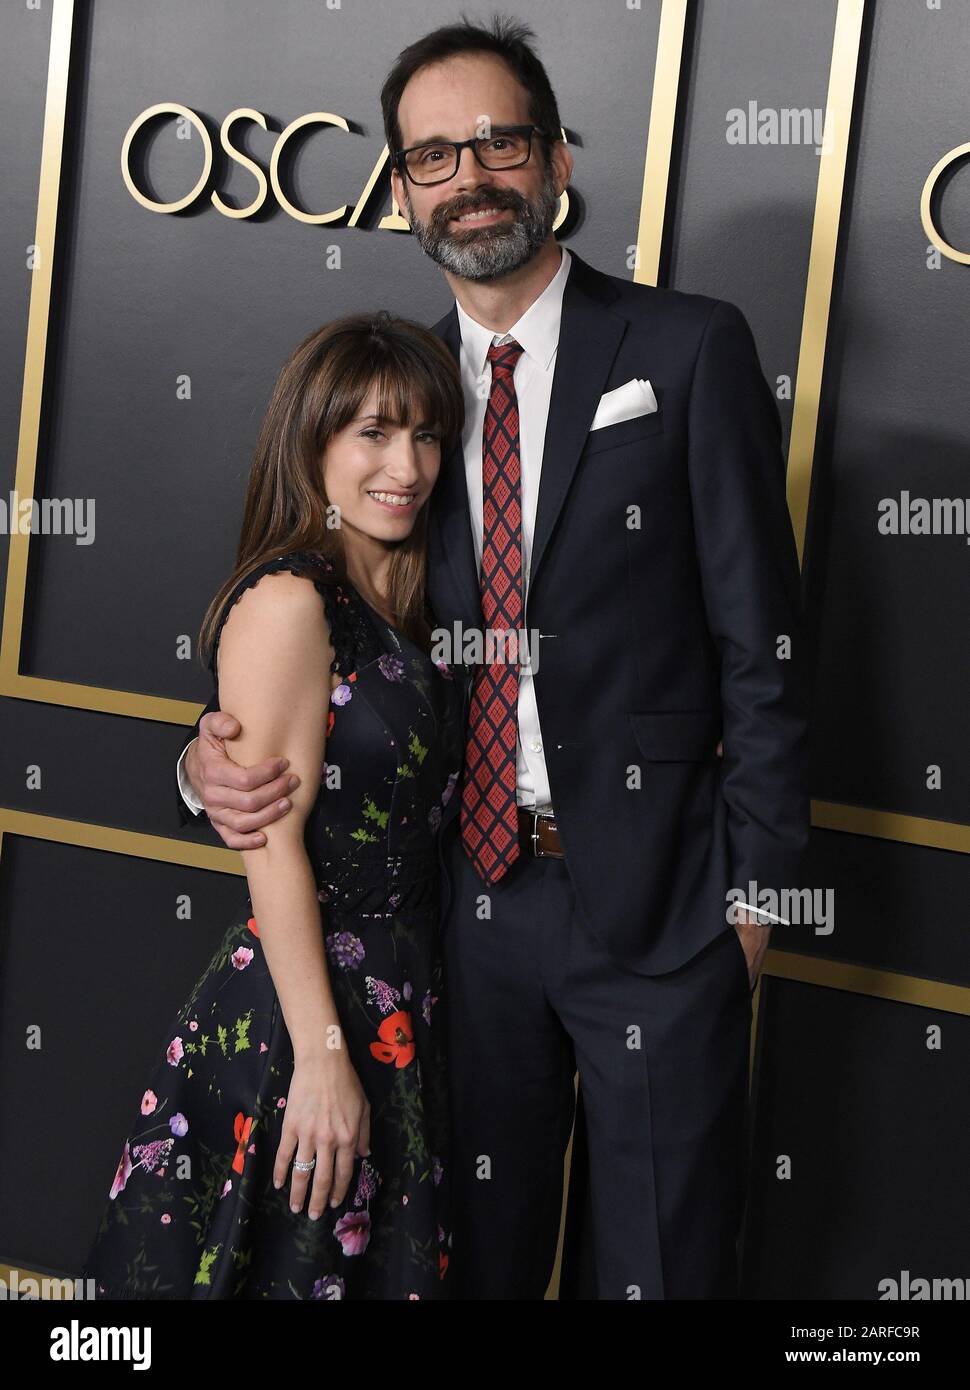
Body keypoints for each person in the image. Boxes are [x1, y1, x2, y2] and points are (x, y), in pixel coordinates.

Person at [176, 17, 810, 1299]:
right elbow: (310, 630)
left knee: (666, 1267)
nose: (467, 176)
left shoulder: (686, 350)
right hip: (460, 920)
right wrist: (201, 760)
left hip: (666, 908)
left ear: (556, 157)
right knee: (467, 1264)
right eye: (430, 156)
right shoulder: (398, 403)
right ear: (402, 190)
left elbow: (768, 647)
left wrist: (755, 906)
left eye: (495, 142)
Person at [81, 312, 465, 1299]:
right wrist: (327, 1059)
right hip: (300, 1020)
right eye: (373, 432)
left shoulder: (413, 599)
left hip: (406, 1009)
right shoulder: (290, 600)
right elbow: (271, 845)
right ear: (313, 443)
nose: (407, 463)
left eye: (425, 434)